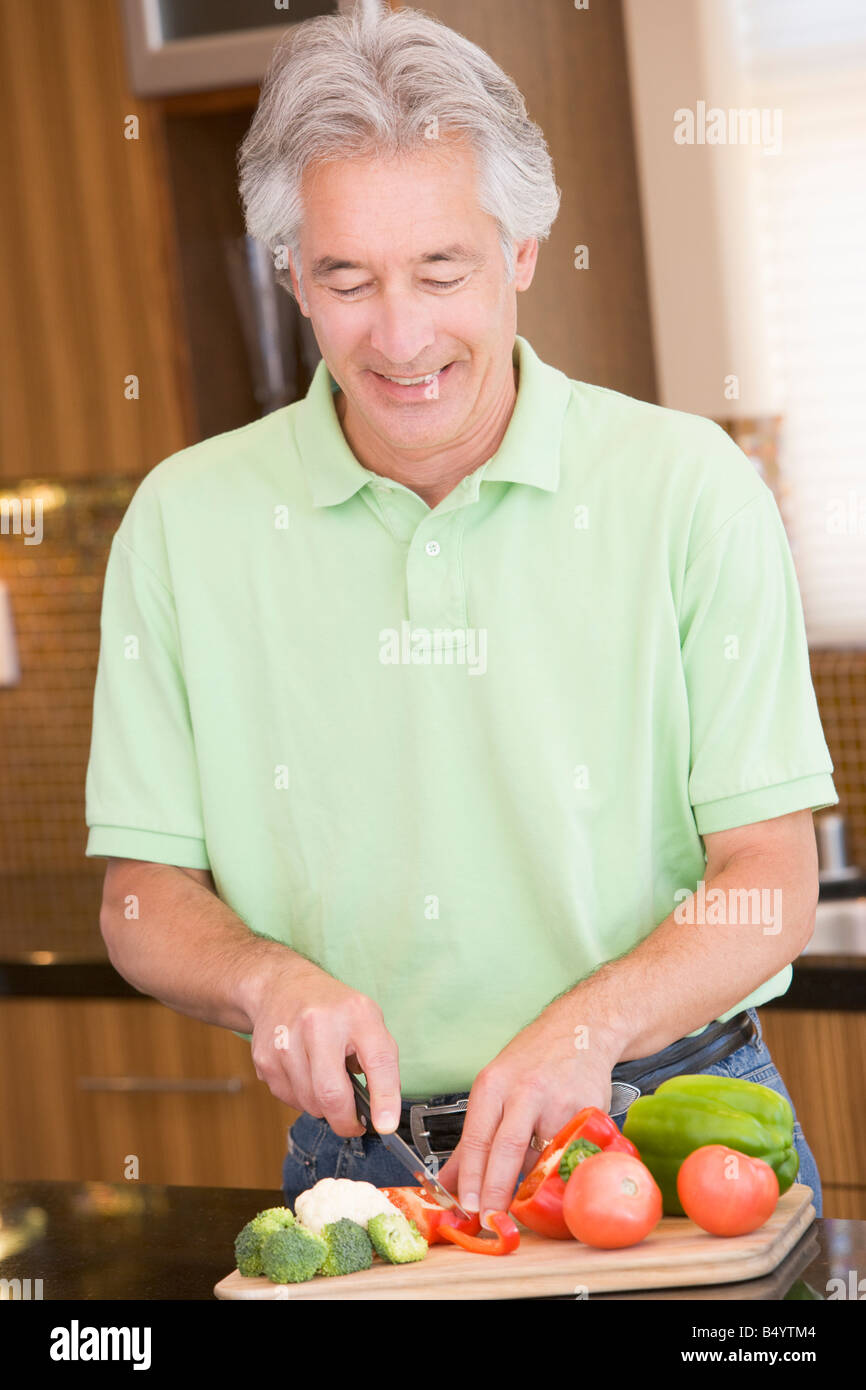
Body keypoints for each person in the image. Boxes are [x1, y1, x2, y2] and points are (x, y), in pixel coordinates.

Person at [86, 3, 836, 1220]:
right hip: (366, 1167)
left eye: (443, 270)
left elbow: (771, 872)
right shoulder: (184, 523)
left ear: (523, 249)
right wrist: (267, 980)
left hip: (667, 1132)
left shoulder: (685, 484)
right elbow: (139, 895)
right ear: (289, 273)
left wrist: (580, 1027)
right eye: (344, 278)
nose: (401, 336)